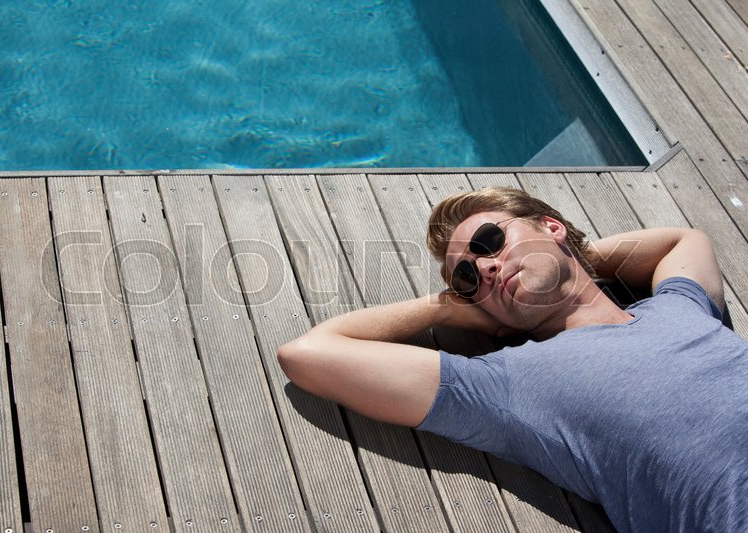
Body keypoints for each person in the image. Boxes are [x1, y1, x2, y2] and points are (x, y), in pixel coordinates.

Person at [276, 187, 747, 533]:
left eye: (488, 241)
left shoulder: (678, 306)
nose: (483, 266)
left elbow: (685, 241)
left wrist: (570, 256)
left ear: (551, 225)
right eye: (466, 278)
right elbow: (308, 354)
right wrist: (448, 306)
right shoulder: (508, 384)